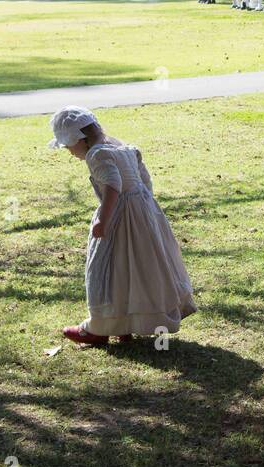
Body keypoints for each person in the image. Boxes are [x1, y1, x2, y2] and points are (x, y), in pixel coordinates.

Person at [47, 106, 196, 346]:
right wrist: (146, 210)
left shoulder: (96, 154)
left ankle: (98, 328)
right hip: (143, 212)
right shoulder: (122, 147)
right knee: (132, 268)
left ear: (81, 140)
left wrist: (103, 220)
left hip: (118, 215)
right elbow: (145, 180)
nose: (68, 151)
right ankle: (123, 324)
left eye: (68, 146)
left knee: (104, 269)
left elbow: (113, 186)